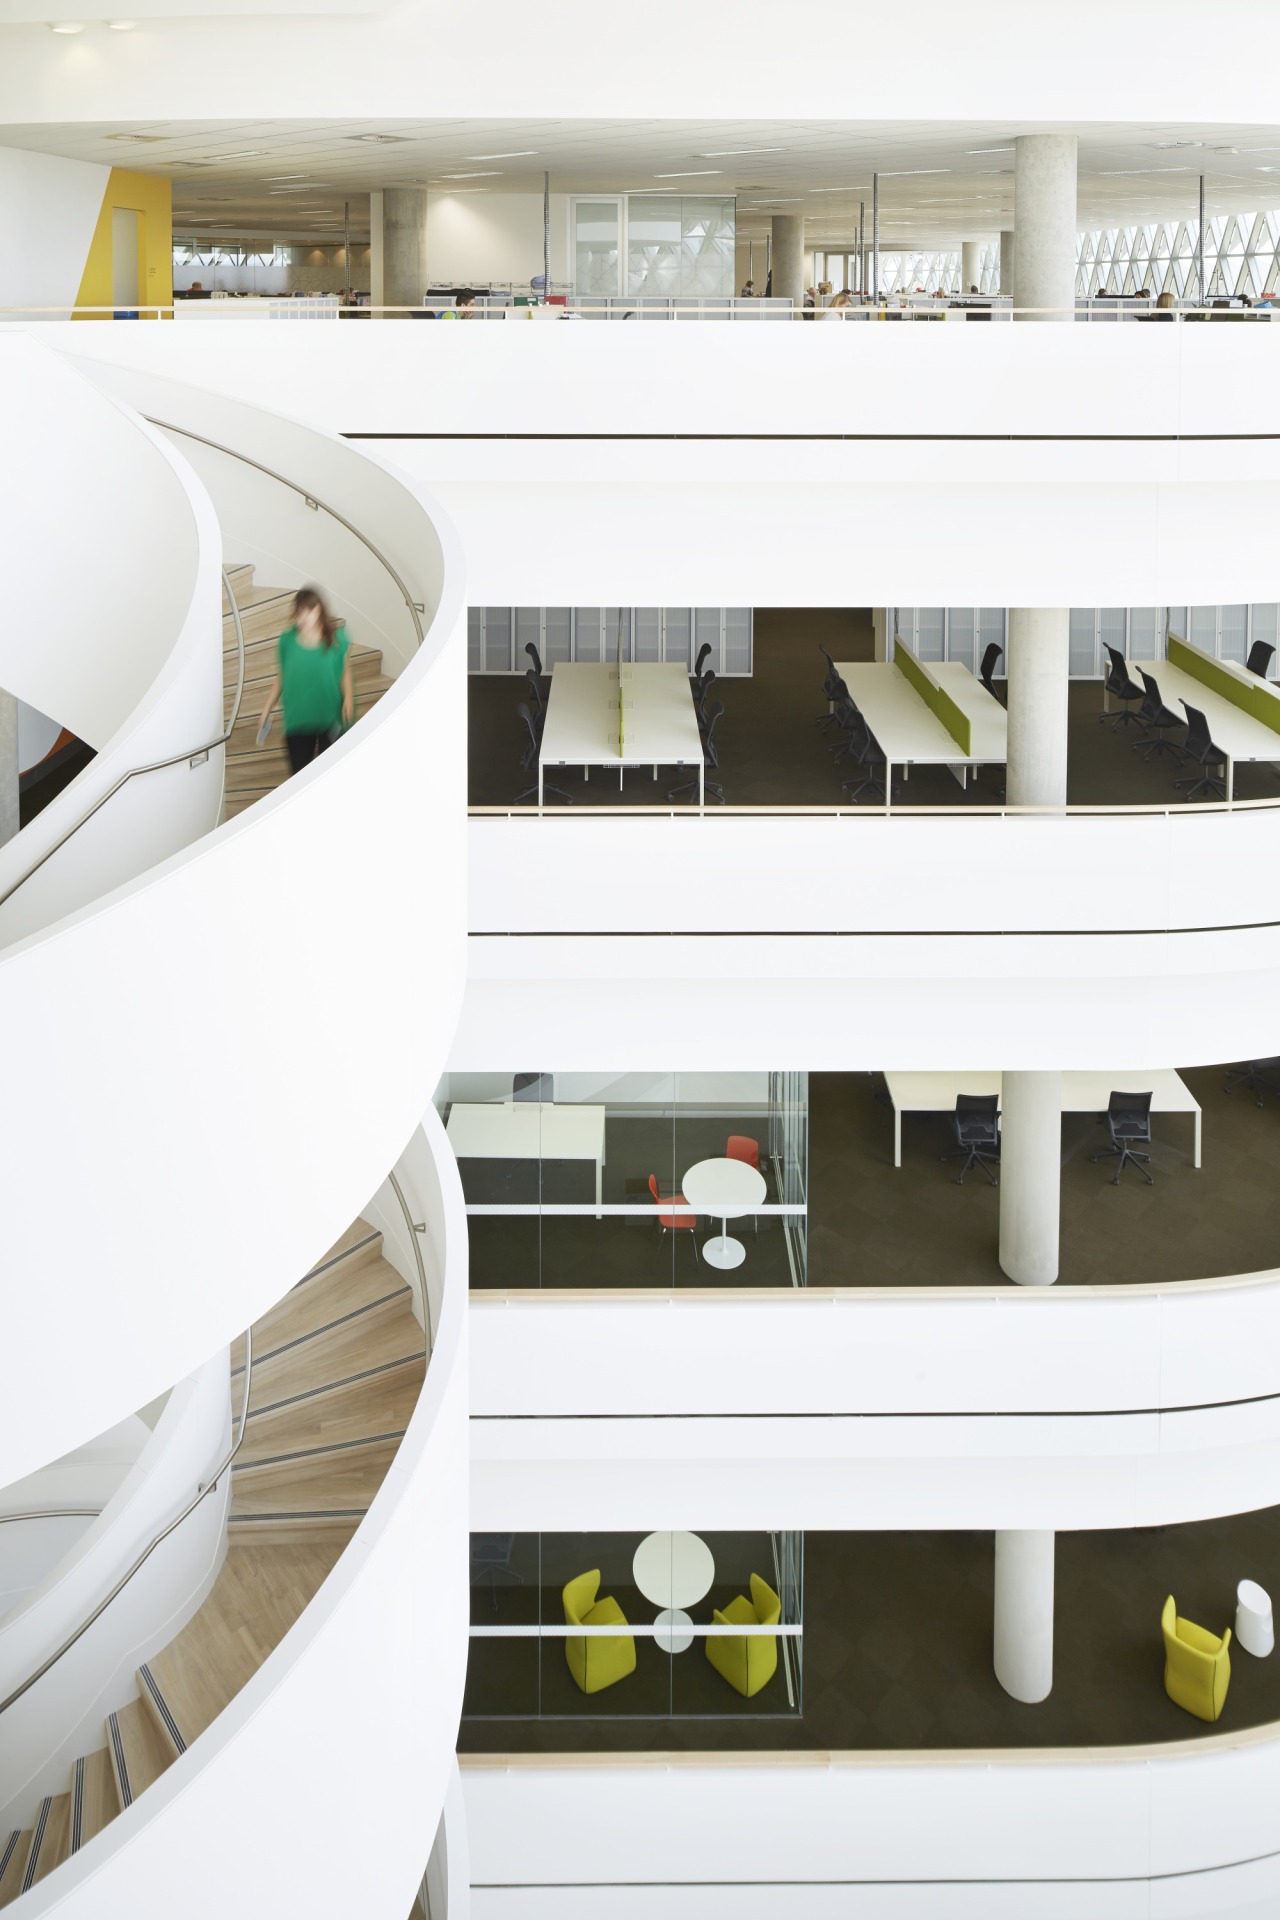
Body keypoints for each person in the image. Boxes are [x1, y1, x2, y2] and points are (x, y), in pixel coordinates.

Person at [256, 586, 354, 776]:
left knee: (329, 774)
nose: (301, 619)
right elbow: (282, 675)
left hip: (328, 717)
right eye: (298, 613)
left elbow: (344, 670)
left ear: (318, 610)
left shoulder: (337, 639)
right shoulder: (287, 640)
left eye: (306, 612)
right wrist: (267, 709)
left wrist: (348, 699)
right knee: (301, 776)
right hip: (297, 719)